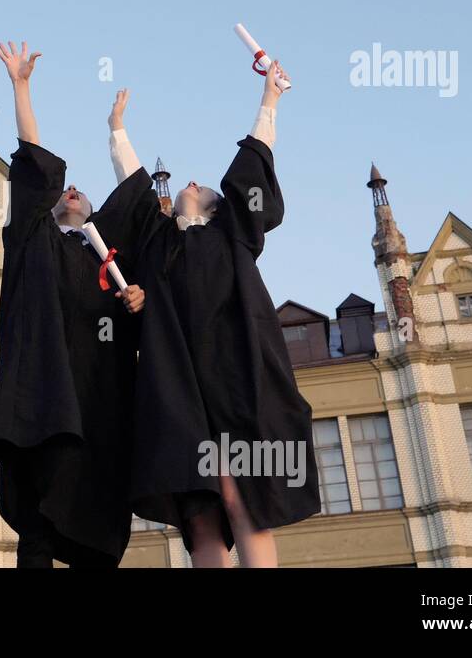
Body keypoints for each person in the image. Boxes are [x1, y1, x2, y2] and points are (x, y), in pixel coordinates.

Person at [101, 61, 320, 567]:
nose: (192, 180)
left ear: (221, 206)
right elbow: (134, 189)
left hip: (236, 374)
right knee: (199, 509)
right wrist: (117, 130)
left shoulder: (233, 232)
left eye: (201, 185)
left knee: (243, 497)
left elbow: (254, 165)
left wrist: (270, 100)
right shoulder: (158, 243)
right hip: (177, 386)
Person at [0, 41, 145, 568]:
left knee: (94, 523)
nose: (70, 190)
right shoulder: (32, 238)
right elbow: (32, 163)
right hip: (40, 394)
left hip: (95, 398)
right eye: (63, 190)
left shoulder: (110, 261)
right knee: (38, 531)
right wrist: (21, 87)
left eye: (79, 191)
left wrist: (136, 301)